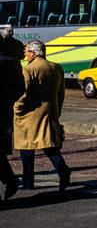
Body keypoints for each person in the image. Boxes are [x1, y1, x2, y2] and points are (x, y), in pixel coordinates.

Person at [13, 40, 71, 192]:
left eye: (26, 51)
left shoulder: (28, 69)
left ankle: (27, 181)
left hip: (29, 115)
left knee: (26, 148)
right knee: (49, 146)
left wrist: (17, 110)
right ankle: (63, 170)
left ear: (33, 53)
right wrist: (57, 111)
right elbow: (61, 93)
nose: (25, 54)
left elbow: (22, 93)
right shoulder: (56, 68)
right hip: (49, 112)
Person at [0, 28, 24, 204]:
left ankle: (10, 180)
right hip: (4, 113)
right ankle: (10, 180)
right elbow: (20, 90)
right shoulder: (14, 65)